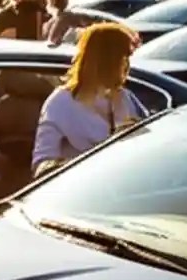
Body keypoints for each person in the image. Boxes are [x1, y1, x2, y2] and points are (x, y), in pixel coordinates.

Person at [32, 24, 145, 176]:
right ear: (105, 61)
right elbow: (41, 164)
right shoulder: (61, 103)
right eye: (122, 59)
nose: (126, 66)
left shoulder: (125, 98)